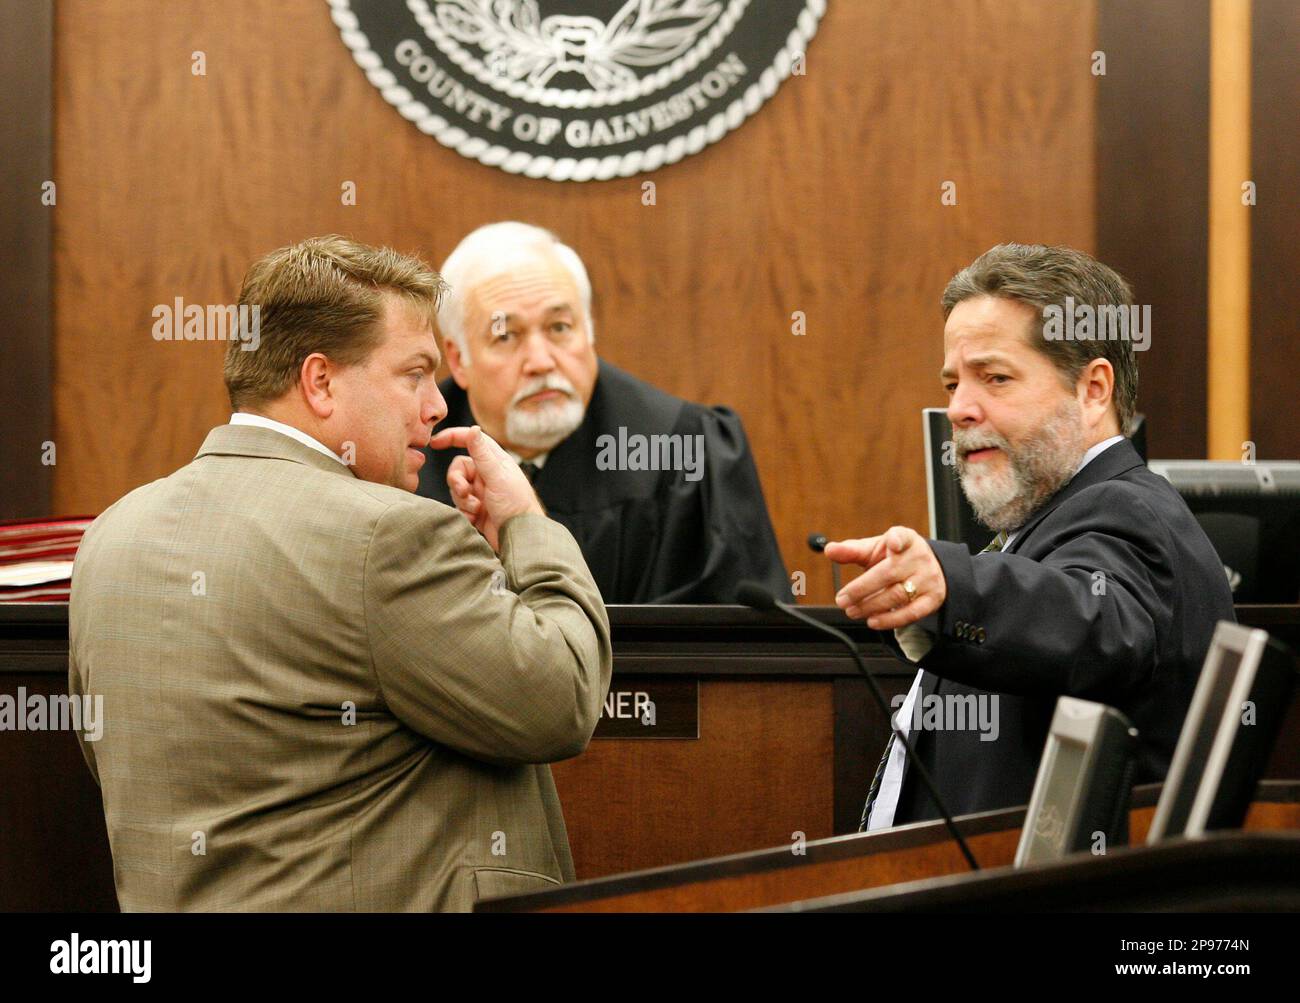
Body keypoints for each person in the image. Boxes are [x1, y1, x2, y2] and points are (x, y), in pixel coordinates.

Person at [68, 235, 612, 911]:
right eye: (414, 373)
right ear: (320, 381)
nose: (438, 405)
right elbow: (561, 697)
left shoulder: (111, 538)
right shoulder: (389, 534)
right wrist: (526, 524)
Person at [828, 243, 1234, 828]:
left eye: (995, 377)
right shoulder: (1054, 518)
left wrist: (951, 585)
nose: (960, 408)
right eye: (951, 384)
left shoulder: (1129, 513)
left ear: (1093, 390)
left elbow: (1092, 623)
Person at [417, 221, 788, 604]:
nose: (541, 362)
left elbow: (740, 643)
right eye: (506, 336)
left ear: (589, 332)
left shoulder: (679, 450)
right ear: (459, 360)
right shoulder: (411, 458)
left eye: (560, 327)